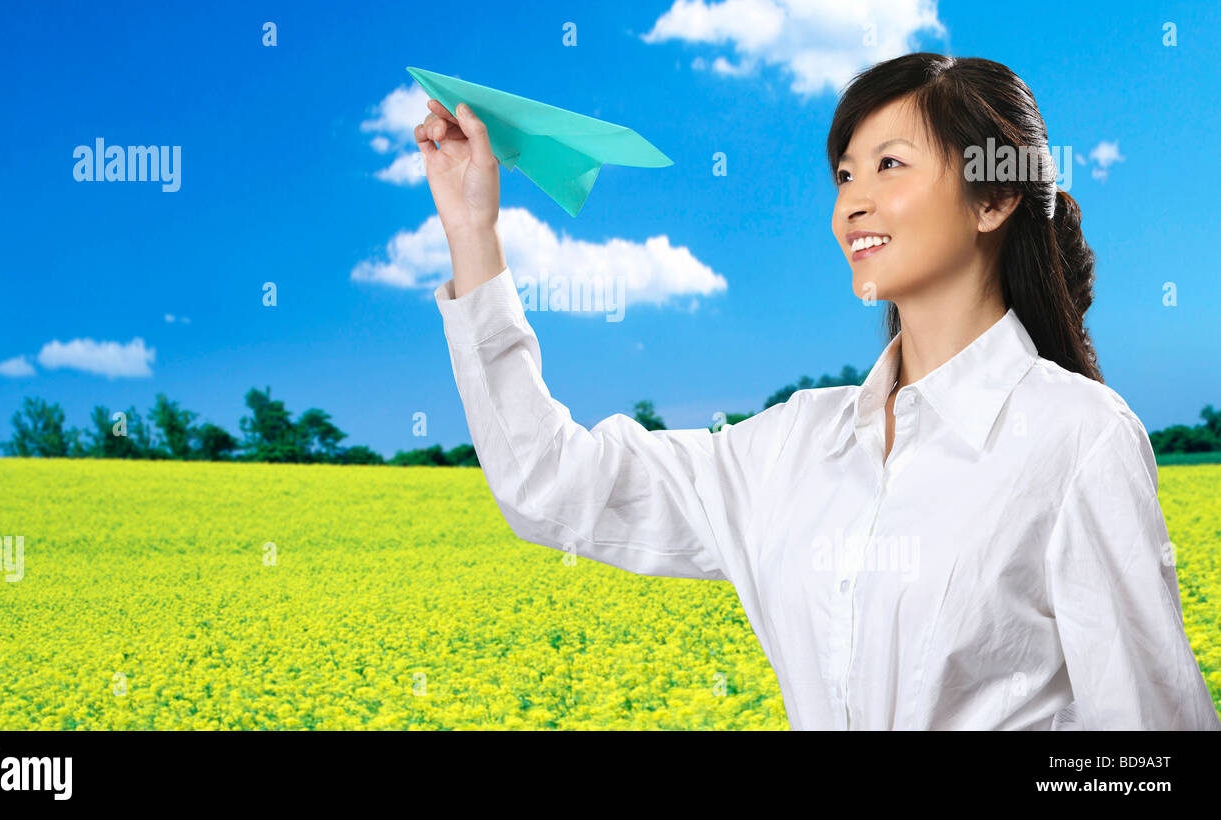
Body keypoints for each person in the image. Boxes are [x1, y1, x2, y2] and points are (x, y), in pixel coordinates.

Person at [418, 52, 1220, 731]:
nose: (852, 203)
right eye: (844, 174)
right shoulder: (794, 445)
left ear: (996, 195)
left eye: (890, 164)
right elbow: (550, 487)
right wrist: (471, 228)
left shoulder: (1077, 438)